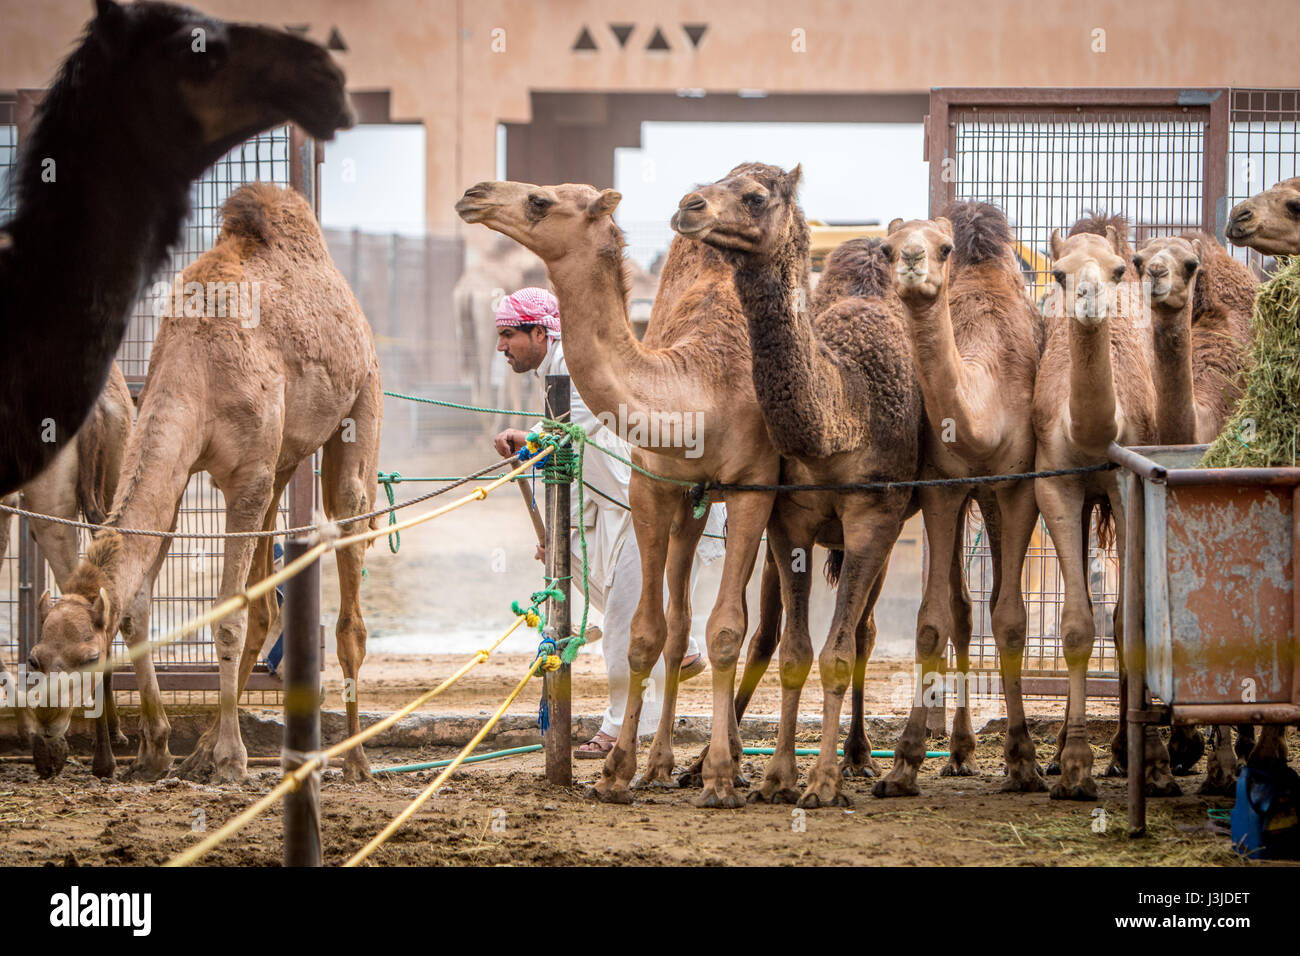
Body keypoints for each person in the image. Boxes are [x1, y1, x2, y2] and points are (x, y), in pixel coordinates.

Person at [490, 288, 724, 758]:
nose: (501, 347)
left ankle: (620, 731)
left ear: (540, 332)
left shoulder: (573, 364)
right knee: (594, 581)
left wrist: (530, 439)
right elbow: (583, 453)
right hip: (627, 509)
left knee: (623, 624)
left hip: (654, 508)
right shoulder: (557, 366)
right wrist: (564, 539)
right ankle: (686, 647)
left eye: (507, 335)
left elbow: (575, 429)